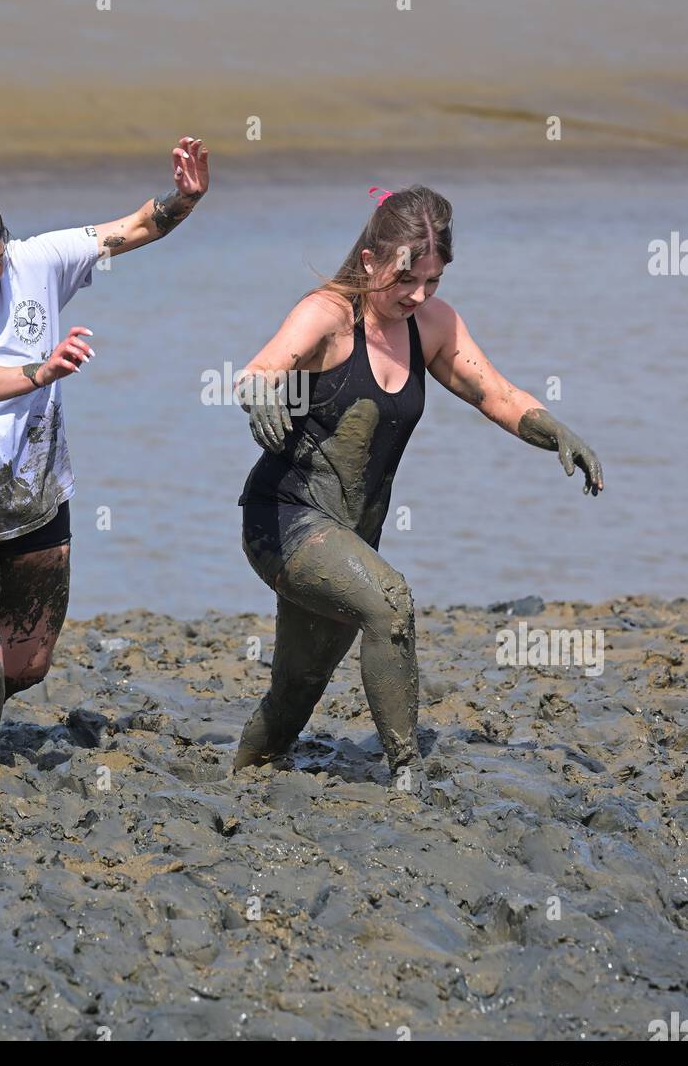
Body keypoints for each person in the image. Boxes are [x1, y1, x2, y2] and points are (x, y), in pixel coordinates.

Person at [234, 184, 604, 796]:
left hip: (350, 535)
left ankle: (237, 780)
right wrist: (257, 396)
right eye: (406, 279)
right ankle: (407, 776)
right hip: (284, 517)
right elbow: (261, 367)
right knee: (391, 604)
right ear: (371, 259)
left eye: (431, 280)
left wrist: (557, 432)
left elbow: (498, 395)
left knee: (294, 697)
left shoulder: (431, 324)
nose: (417, 295)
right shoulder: (328, 314)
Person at [0, 139, 209, 767]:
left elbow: (132, 227)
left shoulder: (39, 262)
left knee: (23, 671)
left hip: (37, 506)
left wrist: (183, 199)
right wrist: (40, 370)